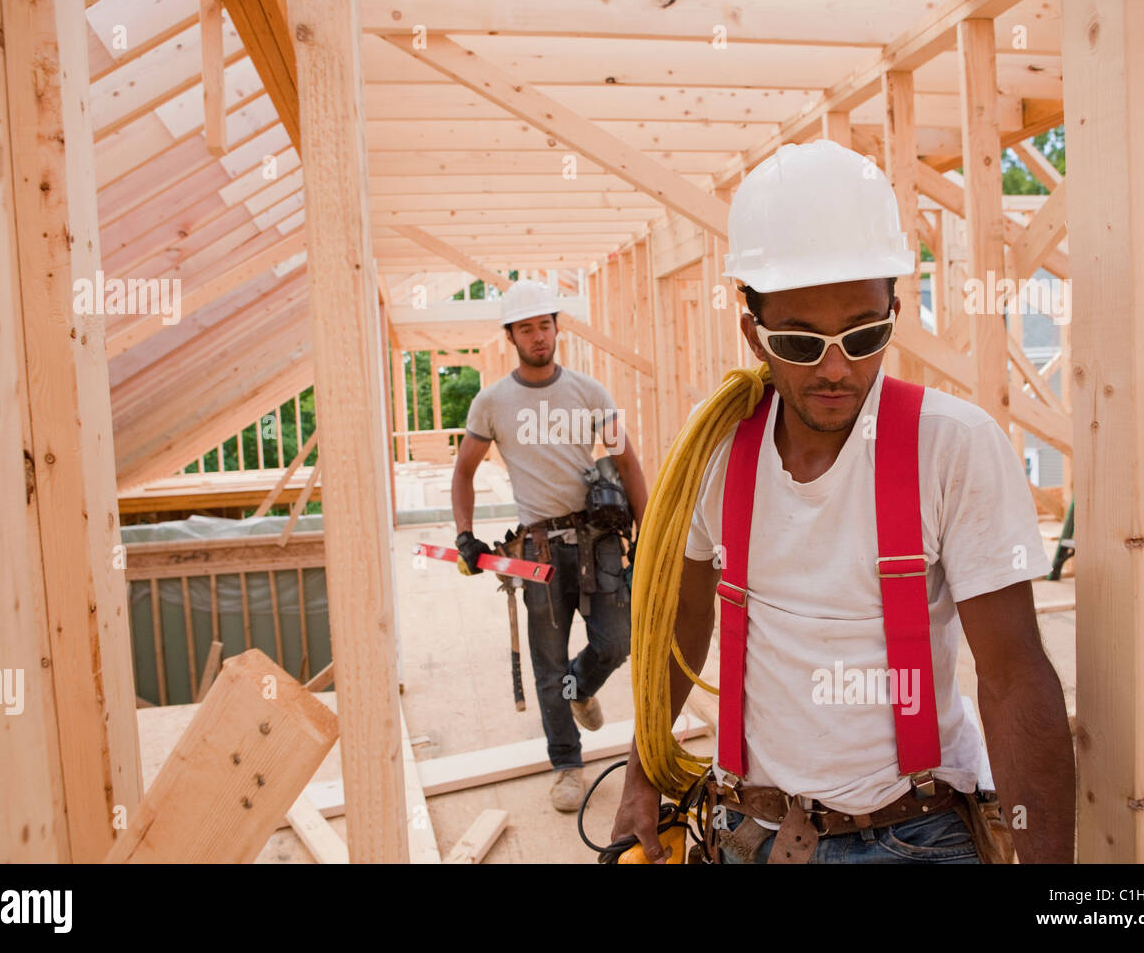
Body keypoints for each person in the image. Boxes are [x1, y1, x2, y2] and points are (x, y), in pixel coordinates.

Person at [611, 140, 1075, 863]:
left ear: (895, 312)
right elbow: (685, 622)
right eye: (801, 343)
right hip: (755, 830)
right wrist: (642, 774)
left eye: (865, 335)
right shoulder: (717, 450)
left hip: (917, 832)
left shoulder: (951, 446)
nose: (837, 369)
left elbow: (1014, 677)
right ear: (753, 334)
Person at [452, 280, 649, 812]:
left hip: (597, 539)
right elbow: (463, 472)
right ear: (511, 336)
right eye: (526, 329)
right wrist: (465, 534)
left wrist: (649, 529)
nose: (538, 336)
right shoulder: (492, 402)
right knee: (547, 664)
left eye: (545, 325)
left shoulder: (589, 392)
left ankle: (580, 687)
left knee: (616, 642)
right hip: (537, 549)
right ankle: (566, 765)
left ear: (556, 328)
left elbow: (627, 462)